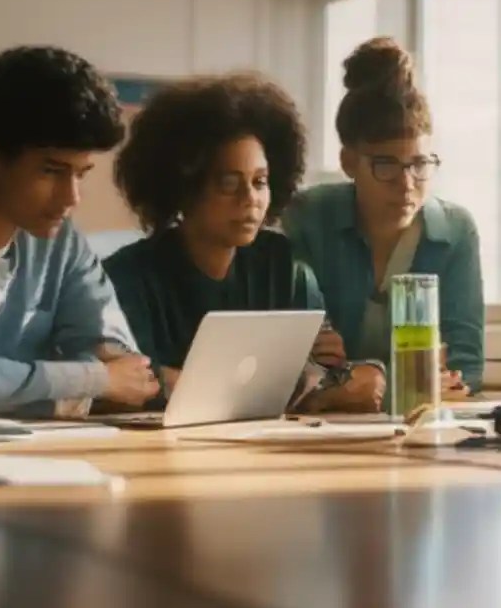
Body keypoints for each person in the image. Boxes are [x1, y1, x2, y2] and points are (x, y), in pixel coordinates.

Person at [0, 45, 158, 416]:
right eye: (51, 171)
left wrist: (89, 377)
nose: (72, 197)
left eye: (81, 173)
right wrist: (92, 379)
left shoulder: (60, 239)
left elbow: (124, 368)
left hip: (30, 458)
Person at [103, 74, 380, 413]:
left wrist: (342, 376)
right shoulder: (128, 278)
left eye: (260, 181)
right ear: (183, 188)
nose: (250, 199)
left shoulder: (283, 265)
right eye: (228, 184)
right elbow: (135, 386)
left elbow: (324, 369)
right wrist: (300, 389)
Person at [282, 37, 483, 395]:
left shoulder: (455, 231)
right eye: (386, 165)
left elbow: (463, 367)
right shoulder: (310, 217)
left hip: (418, 423)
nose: (407, 184)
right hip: (323, 424)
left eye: (420, 164)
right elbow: (301, 356)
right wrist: (410, 380)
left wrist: (368, 384)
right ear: (348, 163)